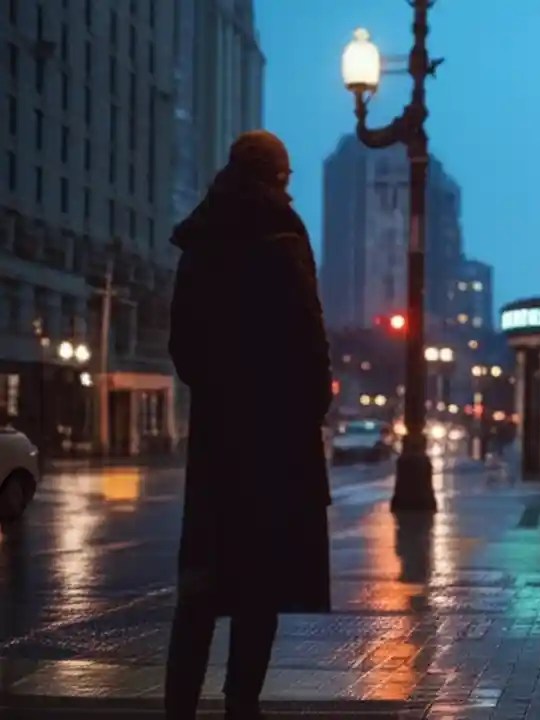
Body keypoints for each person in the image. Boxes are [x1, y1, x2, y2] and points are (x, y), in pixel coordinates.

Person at [164, 130, 333, 719]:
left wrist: (219, 389)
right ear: (278, 178)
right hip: (274, 434)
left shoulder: (200, 243)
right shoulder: (283, 237)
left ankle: (179, 705)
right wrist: (306, 410)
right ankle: (241, 704)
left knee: (203, 579)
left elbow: (183, 349)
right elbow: (310, 342)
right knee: (260, 580)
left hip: (216, 434)